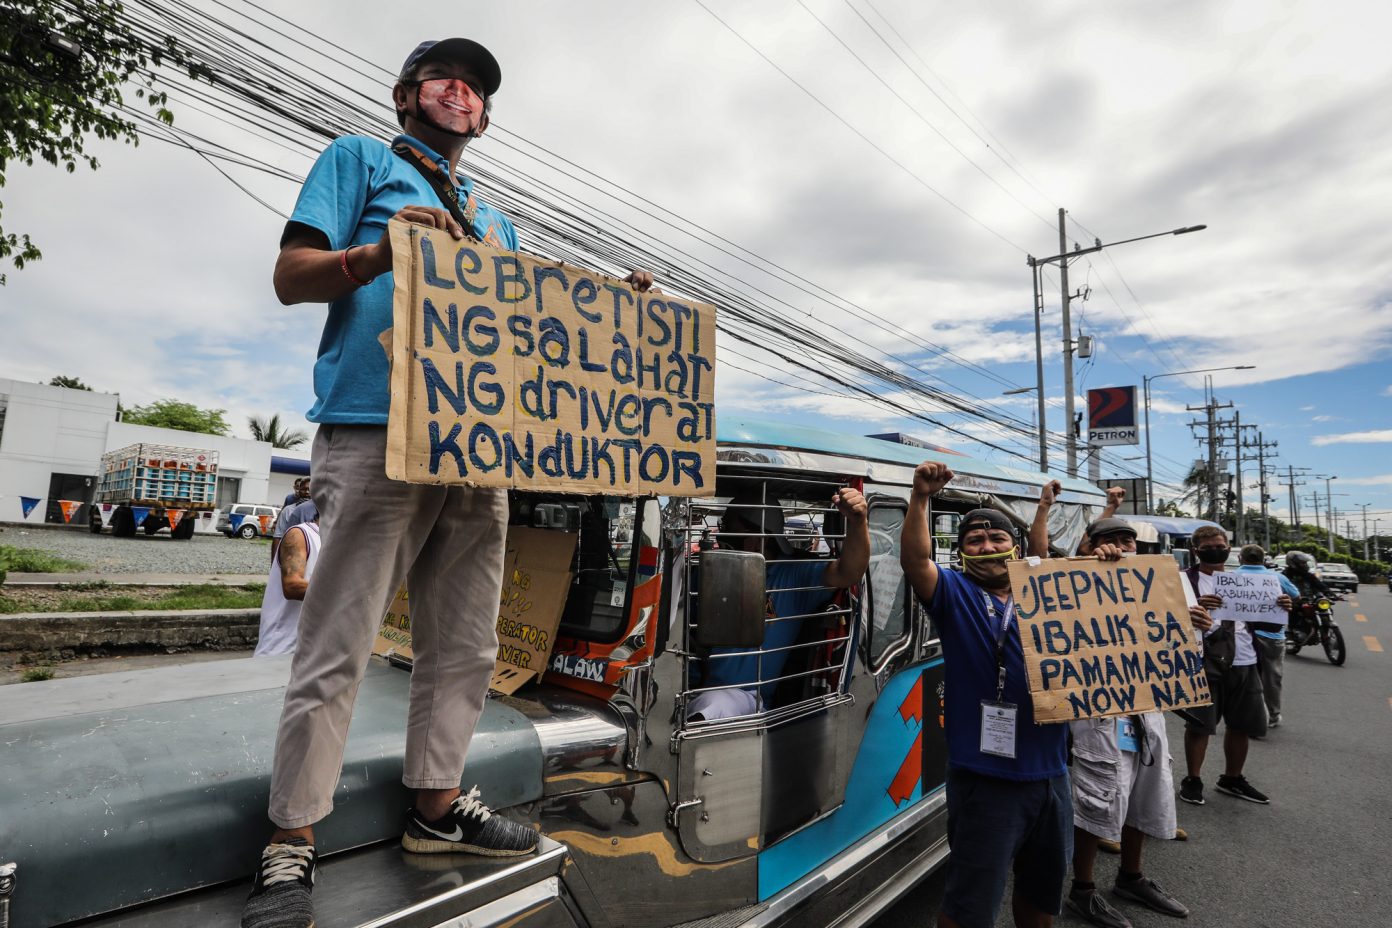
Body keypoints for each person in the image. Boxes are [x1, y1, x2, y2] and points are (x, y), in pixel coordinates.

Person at [241, 38, 655, 928]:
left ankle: (436, 807)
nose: (462, 93)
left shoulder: (494, 221)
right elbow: (289, 278)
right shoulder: (357, 161)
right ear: (407, 95)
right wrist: (374, 257)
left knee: (465, 644)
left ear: (486, 116)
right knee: (339, 640)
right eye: (446, 79)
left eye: (476, 88)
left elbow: (531, 329)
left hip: (477, 448)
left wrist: (615, 315)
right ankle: (292, 839)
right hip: (374, 430)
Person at [902, 462, 1071, 928]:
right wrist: (920, 498)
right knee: (970, 906)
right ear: (960, 555)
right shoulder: (953, 593)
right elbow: (916, 562)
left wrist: (1110, 561)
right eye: (974, 541)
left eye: (997, 539)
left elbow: (1116, 612)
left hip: (1053, 774)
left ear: (1013, 547)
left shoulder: (1045, 594)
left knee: (1041, 896)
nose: (987, 547)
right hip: (986, 778)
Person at [1062, 517, 1213, 928]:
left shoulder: (1161, 583)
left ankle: (1131, 876)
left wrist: (1197, 626)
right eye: (1109, 539)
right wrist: (1086, 562)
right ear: (1090, 544)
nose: (1121, 545)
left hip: (1146, 708)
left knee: (1146, 790)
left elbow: (1182, 651)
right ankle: (1083, 889)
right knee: (1095, 796)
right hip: (1099, 710)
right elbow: (1053, 614)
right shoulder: (1074, 578)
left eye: (1127, 538)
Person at [687, 484, 869, 720]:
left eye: (729, 529)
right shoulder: (707, 573)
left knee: (714, 705)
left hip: (748, 698)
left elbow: (849, 573)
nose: (721, 537)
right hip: (699, 689)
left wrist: (858, 522)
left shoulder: (794, 575)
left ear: (756, 539)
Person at [1179, 526, 1290, 808]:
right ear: (1196, 551)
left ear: (1230, 547)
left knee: (1241, 725)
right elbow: (1166, 617)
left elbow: (1265, 623)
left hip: (1245, 660)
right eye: (1208, 546)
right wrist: (1193, 608)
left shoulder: (1242, 582)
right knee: (1200, 724)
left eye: (1221, 544)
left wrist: (1280, 606)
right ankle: (1193, 779)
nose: (1216, 549)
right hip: (1204, 662)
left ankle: (1232, 778)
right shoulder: (1183, 581)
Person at [1234, 544, 1298, 728]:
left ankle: (1244, 713)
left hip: (1241, 635)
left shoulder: (1231, 578)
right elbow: (1295, 595)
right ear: (1264, 560)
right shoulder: (1277, 577)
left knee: (1242, 677)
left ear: (1240, 559)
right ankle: (1273, 714)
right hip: (1272, 635)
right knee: (1272, 677)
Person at [256, 504, 321, 657]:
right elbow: (292, 586)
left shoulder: (340, 544)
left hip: (314, 651)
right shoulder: (300, 534)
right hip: (281, 650)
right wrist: (348, 593)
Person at [271, 477, 312, 564]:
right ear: (298, 490)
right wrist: (275, 563)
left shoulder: (321, 511)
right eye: (304, 489)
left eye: (310, 489)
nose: (307, 492)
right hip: (291, 556)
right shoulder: (288, 510)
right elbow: (278, 536)